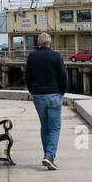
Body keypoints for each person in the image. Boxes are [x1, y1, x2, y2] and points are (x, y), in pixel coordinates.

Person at [25, 32, 68, 170]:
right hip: (54, 95)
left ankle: (47, 155)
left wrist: (33, 91)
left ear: (38, 43)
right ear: (50, 43)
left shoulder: (32, 57)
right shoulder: (56, 56)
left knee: (45, 126)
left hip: (39, 96)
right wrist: (62, 92)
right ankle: (49, 156)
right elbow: (63, 76)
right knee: (54, 127)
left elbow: (27, 77)